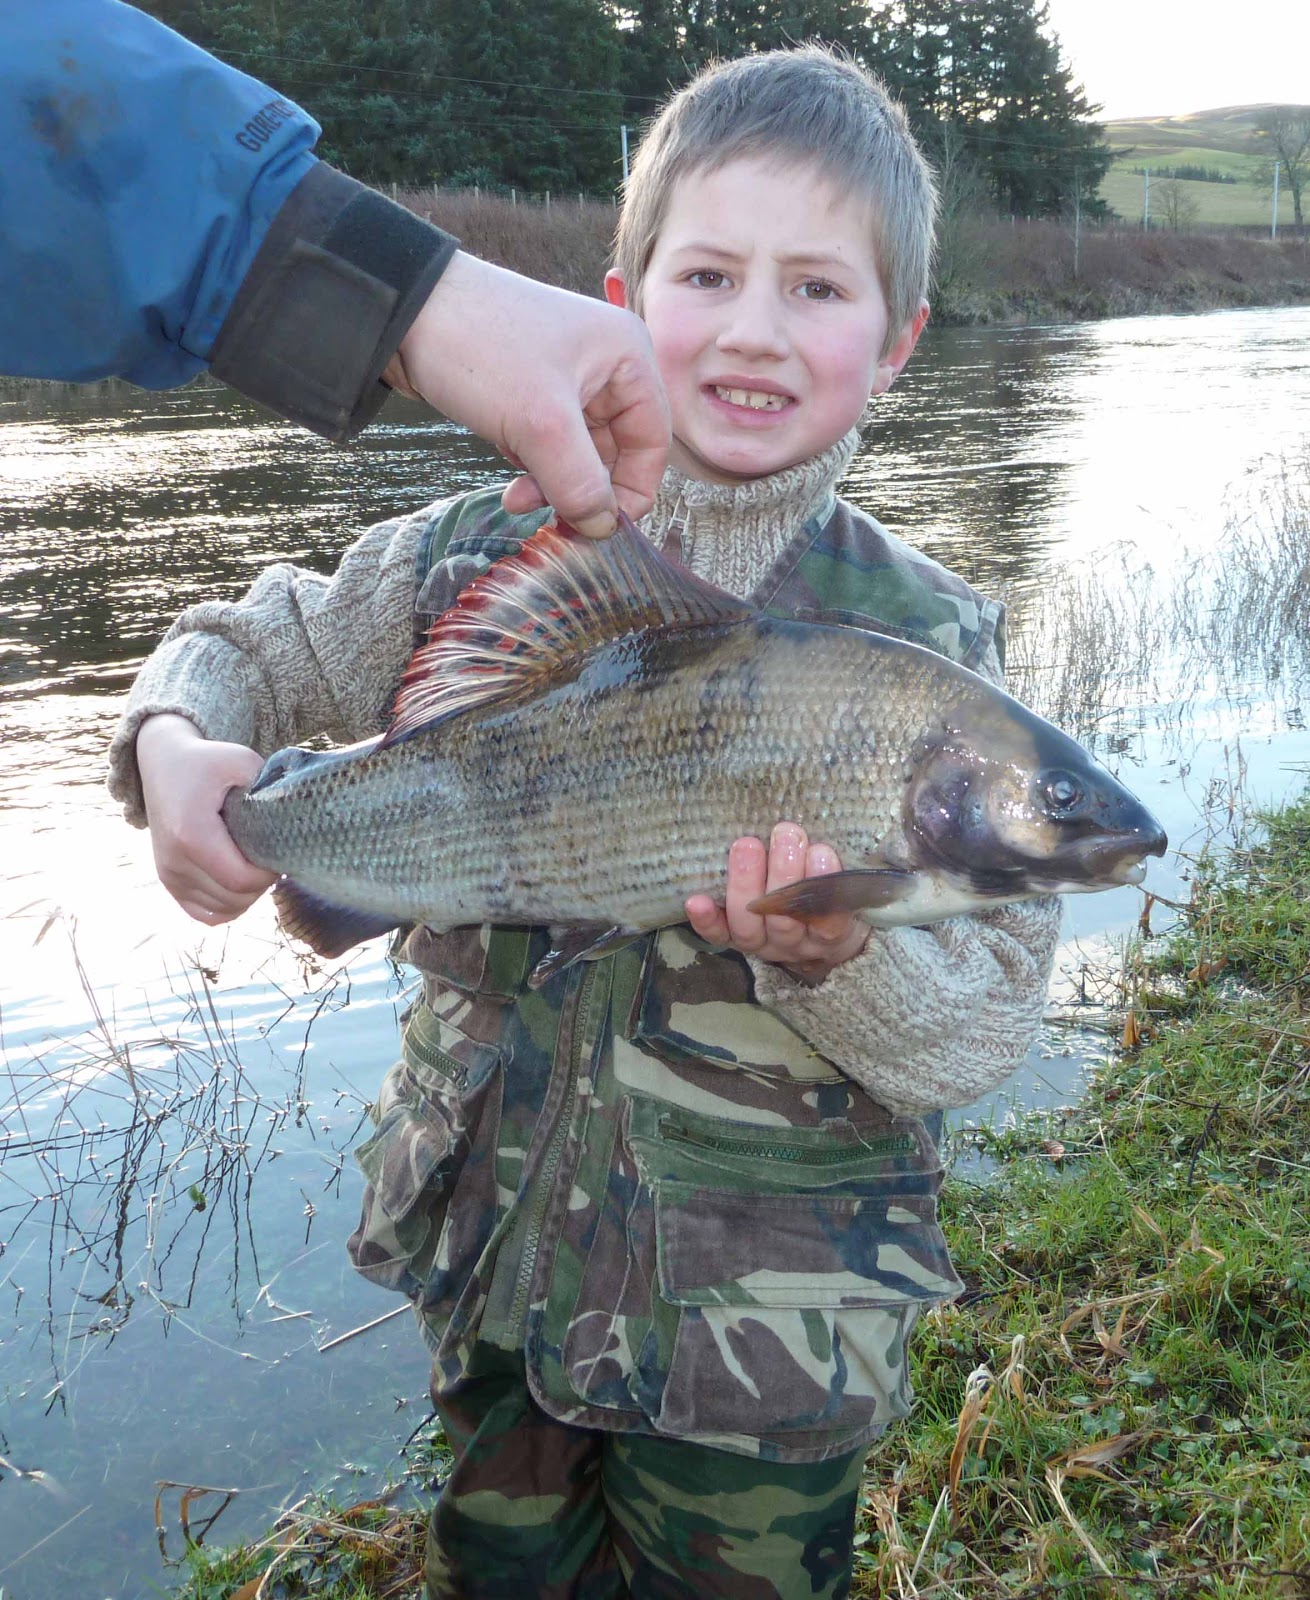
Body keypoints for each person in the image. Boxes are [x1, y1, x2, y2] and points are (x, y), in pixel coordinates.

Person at [108, 46, 1062, 1599]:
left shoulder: (932, 663)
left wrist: (838, 958)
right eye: (710, 275)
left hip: (772, 1346)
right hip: (489, 1270)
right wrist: (170, 745)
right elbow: (241, 642)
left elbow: (980, 1031)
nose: (755, 329)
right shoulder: (471, 550)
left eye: (818, 290)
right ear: (617, 299)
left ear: (899, 343)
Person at [2, 0, 668, 538]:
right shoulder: (436, 552)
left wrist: (418, 302)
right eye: (708, 277)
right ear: (625, 295)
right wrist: (414, 301)